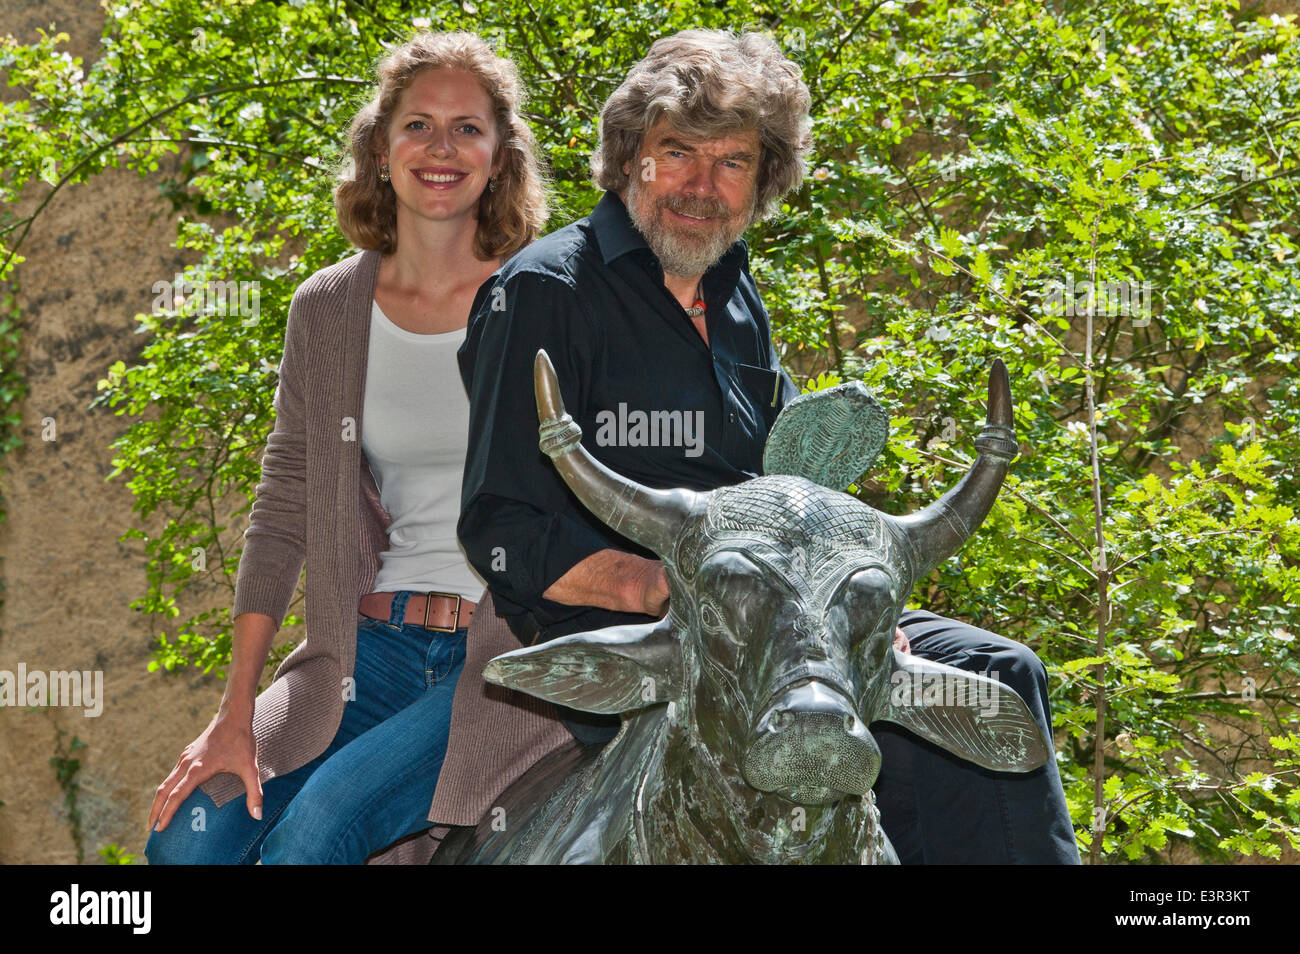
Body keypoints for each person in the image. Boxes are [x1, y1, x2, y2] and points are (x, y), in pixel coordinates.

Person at [456, 28, 1081, 863]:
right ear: (630, 158)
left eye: (733, 163)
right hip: (647, 630)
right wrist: (668, 585)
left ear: (764, 179)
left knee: (1001, 672)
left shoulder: (734, 288)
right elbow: (502, 528)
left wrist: (858, 615)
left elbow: (792, 499)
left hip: (790, 613)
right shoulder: (544, 290)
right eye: (678, 152)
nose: (702, 187)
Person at [144, 31, 551, 864]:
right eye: (418, 125)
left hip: (504, 660)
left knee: (314, 840)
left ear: (502, 155)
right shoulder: (328, 307)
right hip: (365, 654)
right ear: (379, 144)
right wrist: (234, 709)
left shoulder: (547, 296)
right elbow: (284, 503)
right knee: (185, 844)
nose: (442, 149)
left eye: (468, 128)